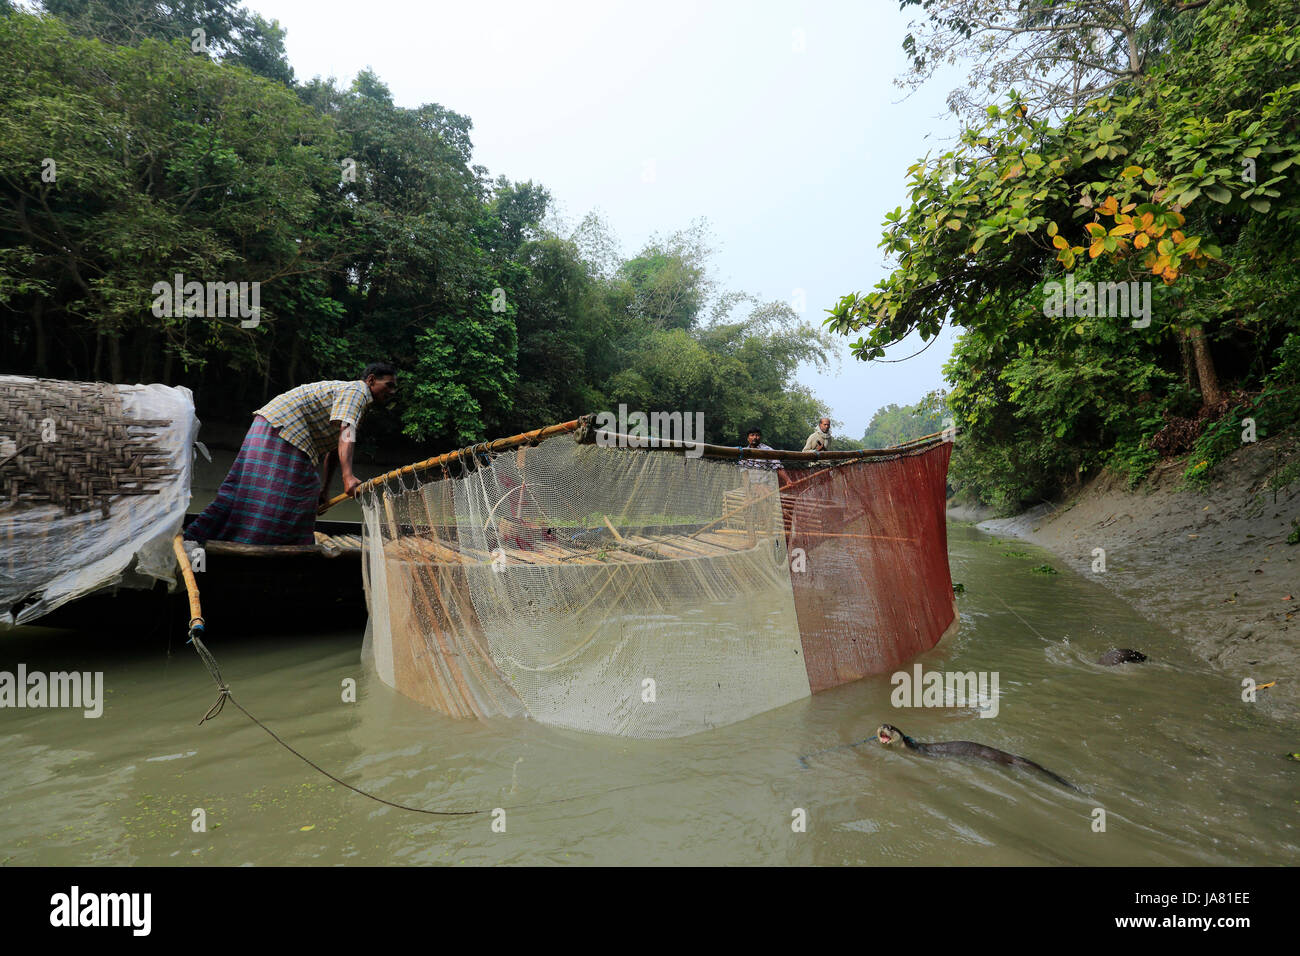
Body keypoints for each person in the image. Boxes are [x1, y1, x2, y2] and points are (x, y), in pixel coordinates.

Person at [185, 363, 398, 545]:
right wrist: (348, 477)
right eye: (388, 385)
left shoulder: (356, 399)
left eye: (394, 388)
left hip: (271, 427)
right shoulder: (358, 392)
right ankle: (278, 548)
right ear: (371, 380)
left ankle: (198, 537)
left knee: (246, 491)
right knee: (301, 493)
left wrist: (324, 491)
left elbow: (334, 449)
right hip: (282, 429)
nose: (392, 392)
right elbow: (346, 432)